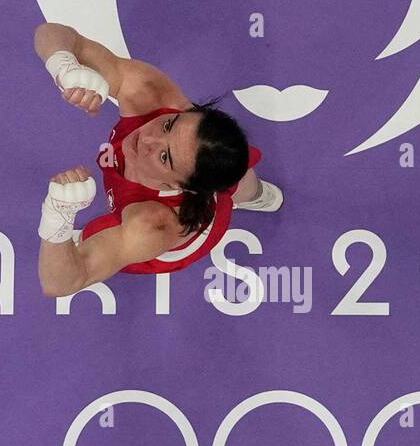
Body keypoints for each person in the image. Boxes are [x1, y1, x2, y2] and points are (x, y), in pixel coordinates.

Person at [33, 22, 283, 297]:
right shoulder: (152, 96)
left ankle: (257, 196)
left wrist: (57, 219)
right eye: (168, 126)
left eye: (165, 157)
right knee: (232, 158)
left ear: (181, 185)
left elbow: (61, 283)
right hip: (196, 171)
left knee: (239, 180)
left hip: (181, 226)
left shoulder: (152, 225)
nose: (147, 139)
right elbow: (52, 34)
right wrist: (65, 66)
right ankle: (250, 190)